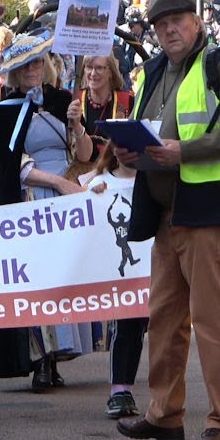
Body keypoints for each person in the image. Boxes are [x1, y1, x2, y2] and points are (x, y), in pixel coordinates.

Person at [112, 0, 220, 440]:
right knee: (163, 318)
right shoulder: (155, 70)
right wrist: (127, 152)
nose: (169, 30)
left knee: (211, 321)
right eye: (161, 25)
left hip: (211, 207)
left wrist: (183, 152)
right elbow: (153, 130)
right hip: (166, 212)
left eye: (178, 21)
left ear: (197, 23)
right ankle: (165, 414)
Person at [0, 29, 91, 390]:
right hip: (31, 198)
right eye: (24, 64)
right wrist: (58, 183)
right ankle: (40, 359)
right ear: (15, 71)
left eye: (36, 61)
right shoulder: (5, 108)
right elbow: (10, 164)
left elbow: (84, 155)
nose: (32, 68)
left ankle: (59, 351)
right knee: (37, 280)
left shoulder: (63, 98)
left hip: (64, 201)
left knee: (63, 277)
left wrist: (77, 124)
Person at [79, 144, 146, 418]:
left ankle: (132, 387)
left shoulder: (149, 180)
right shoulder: (100, 182)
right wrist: (91, 195)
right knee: (125, 325)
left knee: (140, 327)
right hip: (116, 274)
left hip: (147, 269)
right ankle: (119, 389)